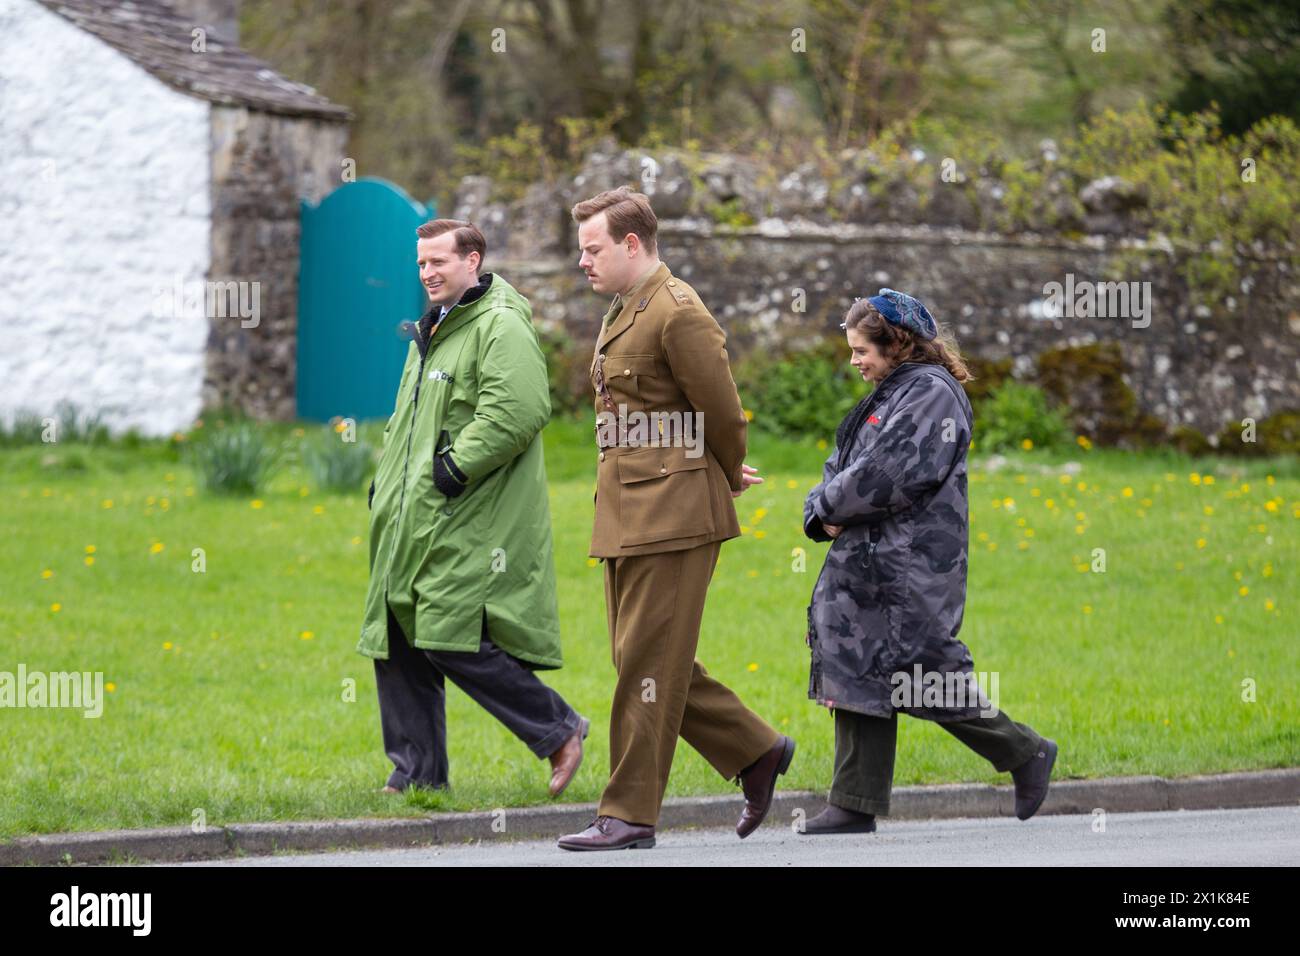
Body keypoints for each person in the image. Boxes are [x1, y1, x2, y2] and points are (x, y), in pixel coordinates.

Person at [556, 186, 794, 851]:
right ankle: (756, 751)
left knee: (645, 665)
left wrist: (725, 466)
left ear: (632, 244)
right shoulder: (627, 307)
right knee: (643, 656)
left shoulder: (677, 309)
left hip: (675, 513)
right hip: (630, 508)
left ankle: (628, 815)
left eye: (592, 248)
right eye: (582, 250)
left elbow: (722, 410)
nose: (583, 261)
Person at [799, 288, 1058, 835]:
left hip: (908, 565)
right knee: (860, 665)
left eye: (861, 350)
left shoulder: (930, 394)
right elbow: (841, 466)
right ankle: (854, 803)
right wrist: (822, 511)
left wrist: (828, 506)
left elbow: (888, 475)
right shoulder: (892, 393)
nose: (854, 361)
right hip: (873, 561)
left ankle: (1025, 753)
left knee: (921, 673)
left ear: (897, 343)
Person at [356, 219, 588, 798]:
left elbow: (519, 410)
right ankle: (417, 778)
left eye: (438, 262)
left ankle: (558, 729)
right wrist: (387, 483)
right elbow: (410, 424)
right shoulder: (431, 328)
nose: (428, 273)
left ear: (472, 261)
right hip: (410, 513)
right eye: (420, 264)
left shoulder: (499, 325)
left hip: (468, 512)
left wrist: (454, 468)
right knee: (399, 634)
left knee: (445, 634)